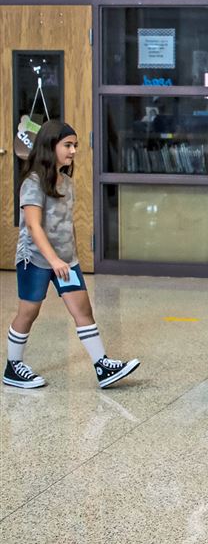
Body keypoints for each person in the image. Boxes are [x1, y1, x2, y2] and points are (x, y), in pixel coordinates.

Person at [6, 120, 140, 390]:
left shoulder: (66, 182)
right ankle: (13, 366)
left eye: (75, 145)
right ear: (50, 146)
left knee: (83, 310)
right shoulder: (32, 183)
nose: (73, 151)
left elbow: (67, 224)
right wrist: (53, 260)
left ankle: (102, 365)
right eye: (67, 145)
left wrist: (70, 257)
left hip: (66, 261)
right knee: (28, 312)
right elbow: (33, 226)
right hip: (36, 259)